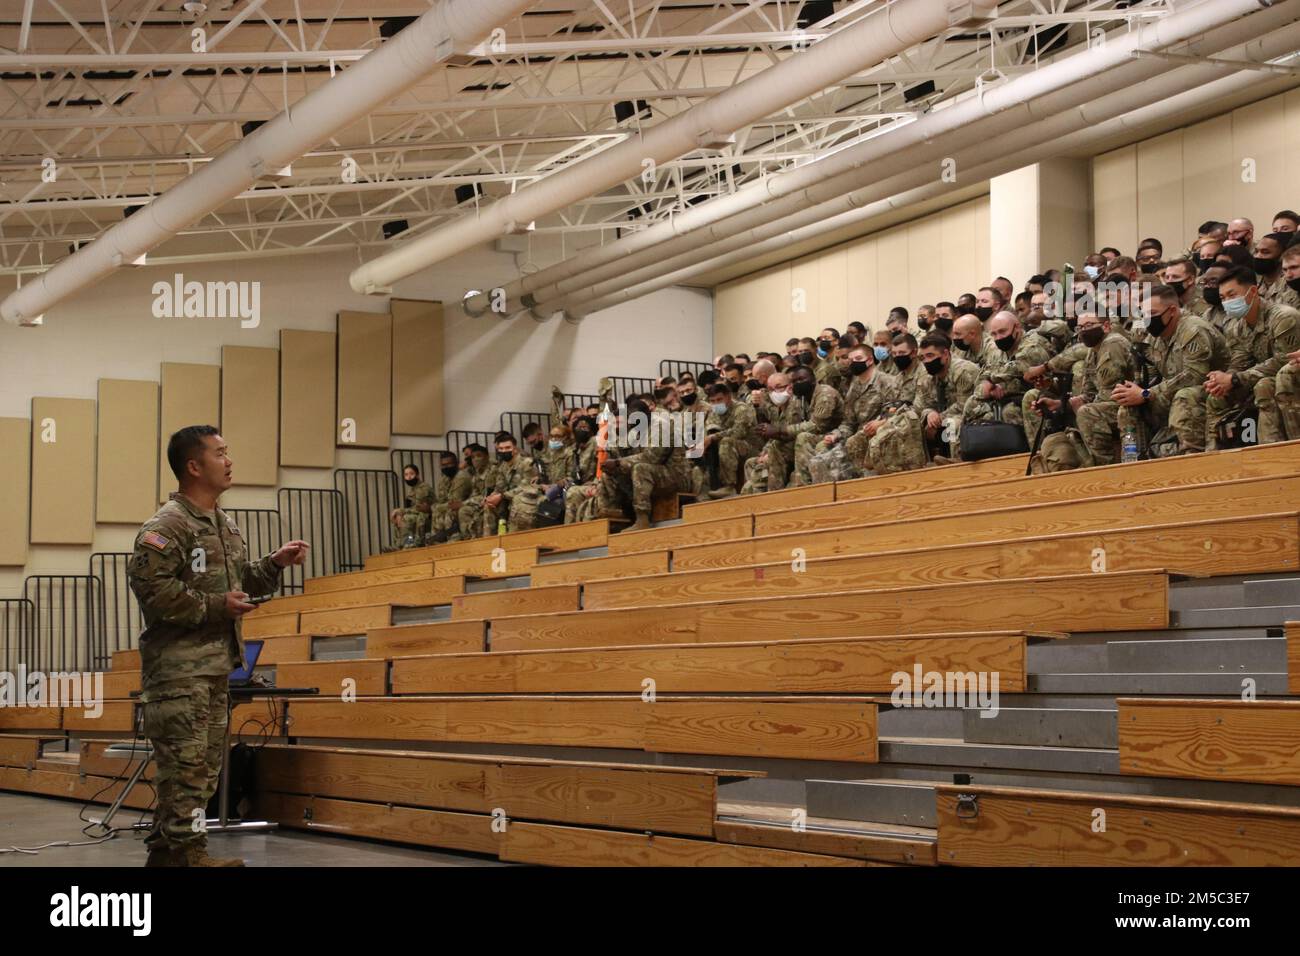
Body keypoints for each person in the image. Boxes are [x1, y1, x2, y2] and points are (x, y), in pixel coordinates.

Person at [129, 425, 308, 867]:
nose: (229, 461)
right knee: (186, 774)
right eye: (220, 453)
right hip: (178, 674)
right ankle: (190, 856)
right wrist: (214, 606)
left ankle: (166, 858)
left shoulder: (223, 524)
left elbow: (237, 582)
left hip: (214, 670)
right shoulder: (167, 525)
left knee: (202, 773)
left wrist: (273, 563)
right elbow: (150, 588)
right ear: (194, 466)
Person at [1112, 284, 1229, 456]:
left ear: (1172, 310)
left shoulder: (1193, 329)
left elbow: (1195, 376)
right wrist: (1132, 391)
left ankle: (1192, 460)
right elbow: (1152, 376)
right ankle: (1134, 465)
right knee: (1127, 408)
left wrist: (1146, 394)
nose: (1146, 319)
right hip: (1172, 395)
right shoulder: (1155, 339)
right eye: (1142, 314)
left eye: (1151, 313)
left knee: (1185, 396)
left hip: (1214, 392)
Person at [1204, 266, 1300, 447]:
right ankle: (1214, 459)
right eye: (1223, 298)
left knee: (1265, 386)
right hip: (1263, 378)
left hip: (1290, 377)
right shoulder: (1235, 326)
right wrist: (1222, 380)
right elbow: (1239, 361)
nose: (1227, 302)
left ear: (1253, 291)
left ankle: (1278, 451)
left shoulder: (1284, 317)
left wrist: (1234, 378)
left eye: (1232, 295)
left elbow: (1284, 360)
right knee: (1215, 396)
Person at [701, 382, 757, 498]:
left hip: (751, 448)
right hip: (729, 450)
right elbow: (710, 430)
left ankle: (729, 486)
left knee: (726, 441)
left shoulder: (741, 409)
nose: (716, 404)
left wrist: (713, 437)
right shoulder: (713, 412)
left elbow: (738, 432)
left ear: (729, 396)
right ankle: (709, 488)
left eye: (719, 399)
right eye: (712, 401)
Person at [388, 464, 433, 549]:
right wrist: (400, 514)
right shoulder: (413, 489)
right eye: (406, 475)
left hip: (427, 515)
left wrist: (401, 511)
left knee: (406, 519)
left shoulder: (422, 488)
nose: (409, 477)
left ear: (417, 475)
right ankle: (399, 545)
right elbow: (410, 508)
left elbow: (419, 508)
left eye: (411, 474)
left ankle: (409, 543)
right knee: (398, 518)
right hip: (416, 514)